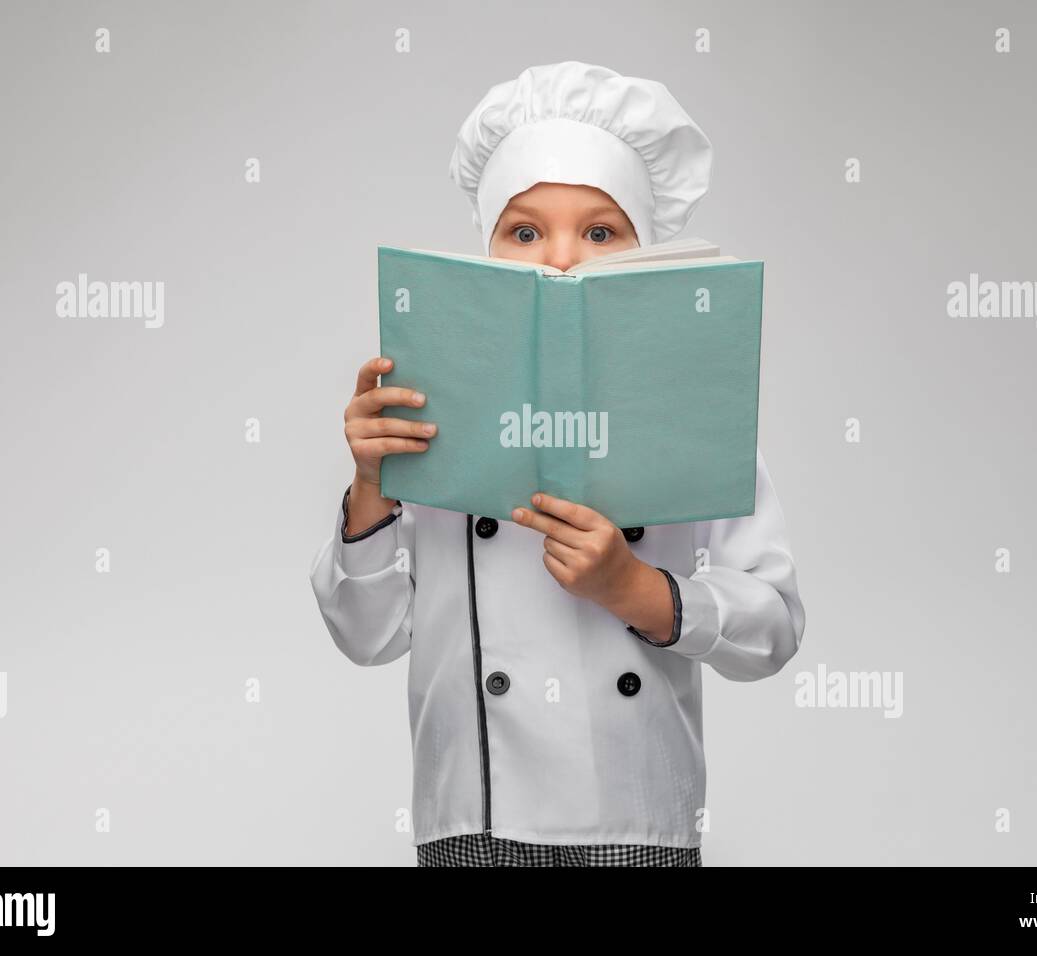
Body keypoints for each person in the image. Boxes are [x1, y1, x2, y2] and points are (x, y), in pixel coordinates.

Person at [310, 61, 806, 867]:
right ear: (488, 247)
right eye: (526, 230)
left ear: (644, 250)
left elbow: (774, 628)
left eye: (601, 231)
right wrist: (370, 489)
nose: (563, 257)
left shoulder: (691, 407)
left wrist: (638, 591)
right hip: (469, 820)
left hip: (639, 817)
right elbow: (367, 638)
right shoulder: (433, 409)